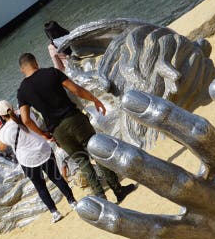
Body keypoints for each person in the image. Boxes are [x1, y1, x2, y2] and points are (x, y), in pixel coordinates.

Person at [16, 52, 136, 202]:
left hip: (57, 131)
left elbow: (26, 120)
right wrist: (94, 99)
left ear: (22, 69)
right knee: (96, 151)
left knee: (82, 161)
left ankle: (101, 198)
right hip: (74, 119)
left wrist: (43, 134)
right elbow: (76, 90)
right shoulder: (51, 72)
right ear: (35, 62)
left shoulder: (22, 91)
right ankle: (118, 190)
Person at [0, 100, 78, 223]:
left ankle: (55, 212)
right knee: (57, 178)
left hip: (27, 160)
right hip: (43, 151)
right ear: (11, 108)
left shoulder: (4, 131)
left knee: (41, 188)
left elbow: (1, 147)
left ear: (1, 116)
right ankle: (73, 202)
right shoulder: (26, 115)